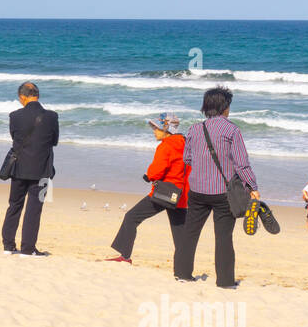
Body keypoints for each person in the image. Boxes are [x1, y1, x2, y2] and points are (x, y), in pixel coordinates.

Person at [174, 86, 260, 288]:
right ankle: (225, 281)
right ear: (225, 107)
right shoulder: (232, 130)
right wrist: (253, 186)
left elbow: (187, 158)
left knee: (190, 232)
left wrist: (204, 168)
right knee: (223, 237)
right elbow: (242, 163)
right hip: (223, 193)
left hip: (197, 190)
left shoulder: (195, 129)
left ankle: (183, 274)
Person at [107, 113, 189, 264]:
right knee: (179, 233)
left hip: (164, 193)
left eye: (156, 128)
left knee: (131, 217)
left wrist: (148, 175)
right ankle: (183, 266)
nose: (154, 131)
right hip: (182, 195)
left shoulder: (165, 145)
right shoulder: (186, 143)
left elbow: (157, 170)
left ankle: (125, 257)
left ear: (167, 129)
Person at [1, 82, 60, 257]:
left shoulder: (14, 116)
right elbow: (54, 141)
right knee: (35, 209)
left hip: (18, 169)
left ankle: (8, 246)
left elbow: (15, 137)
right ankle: (28, 248)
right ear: (38, 95)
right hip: (43, 171)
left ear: (22, 97)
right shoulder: (52, 116)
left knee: (14, 205)